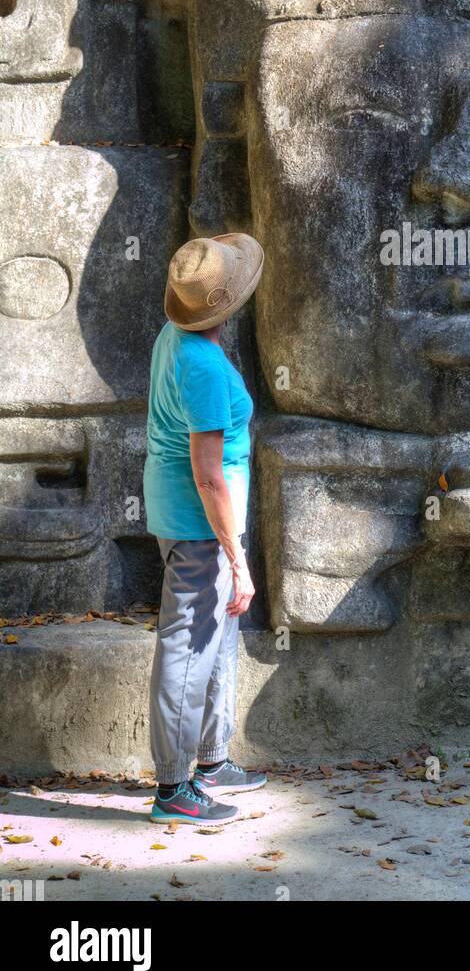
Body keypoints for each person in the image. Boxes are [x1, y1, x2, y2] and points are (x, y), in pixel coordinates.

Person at [143, 232, 265, 824]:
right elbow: (210, 475)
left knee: (214, 633)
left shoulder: (179, 337)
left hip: (189, 515)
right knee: (188, 643)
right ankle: (172, 789)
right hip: (199, 520)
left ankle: (211, 760)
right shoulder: (203, 367)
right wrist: (236, 555)